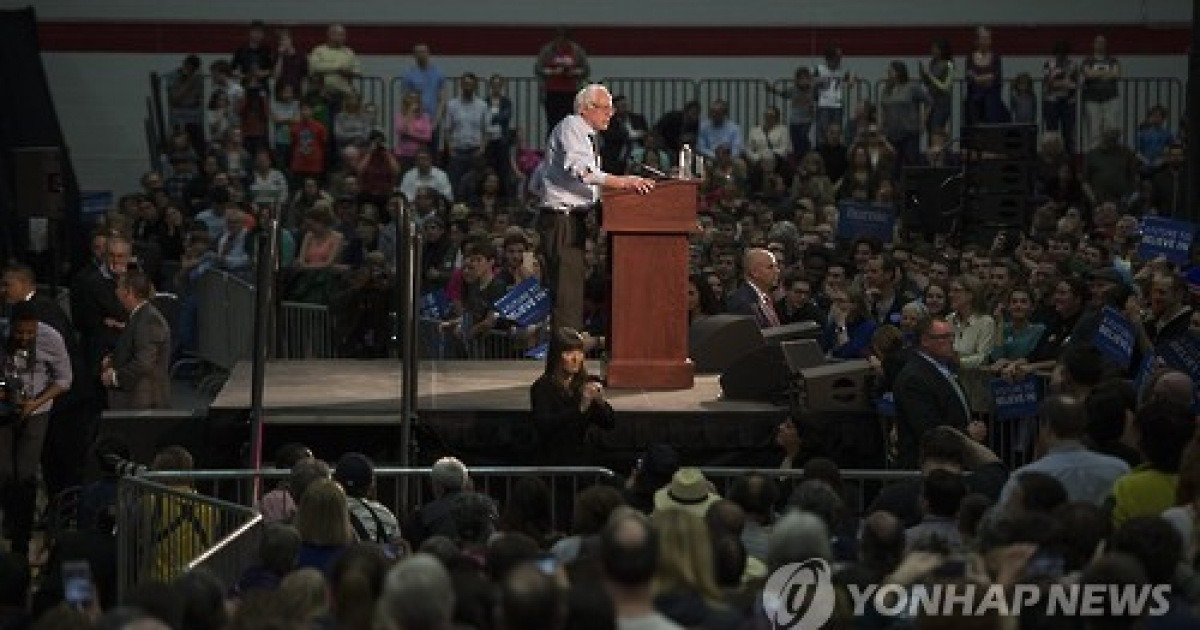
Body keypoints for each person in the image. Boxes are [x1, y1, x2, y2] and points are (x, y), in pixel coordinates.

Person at [535, 84, 653, 331]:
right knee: (568, 299)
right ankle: (566, 368)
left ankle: (564, 368)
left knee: (570, 297)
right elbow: (584, 172)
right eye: (606, 108)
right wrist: (623, 182)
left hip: (571, 220)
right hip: (562, 220)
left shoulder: (585, 133)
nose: (611, 114)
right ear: (587, 108)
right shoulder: (572, 127)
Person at [0, 302, 72, 557]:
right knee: (6, 472)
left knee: (27, 476)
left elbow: (64, 380)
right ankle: (11, 523)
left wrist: (35, 403)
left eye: (29, 333)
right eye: (19, 333)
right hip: (3, 414)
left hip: (37, 410)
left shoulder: (51, 338)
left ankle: (22, 535)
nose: (24, 338)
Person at [892, 317, 974, 469]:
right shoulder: (914, 377)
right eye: (944, 337)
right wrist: (966, 435)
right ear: (925, 341)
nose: (951, 342)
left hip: (951, 459)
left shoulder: (942, 367)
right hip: (928, 465)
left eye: (952, 336)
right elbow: (927, 429)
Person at [530, 327, 614, 465]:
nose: (576, 358)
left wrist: (601, 403)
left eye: (579, 352)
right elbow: (544, 427)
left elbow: (609, 423)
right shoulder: (542, 387)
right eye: (569, 353)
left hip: (583, 460)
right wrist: (579, 409)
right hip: (553, 461)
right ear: (556, 355)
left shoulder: (587, 383)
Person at [100, 269, 171, 409]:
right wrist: (112, 359)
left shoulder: (150, 320)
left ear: (129, 292)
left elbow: (144, 362)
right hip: (135, 401)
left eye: (119, 287)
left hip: (143, 403)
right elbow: (133, 348)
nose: (116, 292)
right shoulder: (139, 316)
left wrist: (115, 377)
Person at [536, 27, 590, 131]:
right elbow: (539, 69)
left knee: (570, 123)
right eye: (559, 37)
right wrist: (553, 72)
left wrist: (573, 72)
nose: (561, 40)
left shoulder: (576, 51)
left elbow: (585, 70)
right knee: (553, 122)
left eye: (564, 38)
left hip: (571, 91)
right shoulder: (547, 51)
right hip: (552, 91)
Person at [725, 248, 781, 328]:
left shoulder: (764, 297)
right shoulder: (742, 303)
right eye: (770, 267)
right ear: (754, 272)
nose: (777, 271)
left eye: (776, 266)